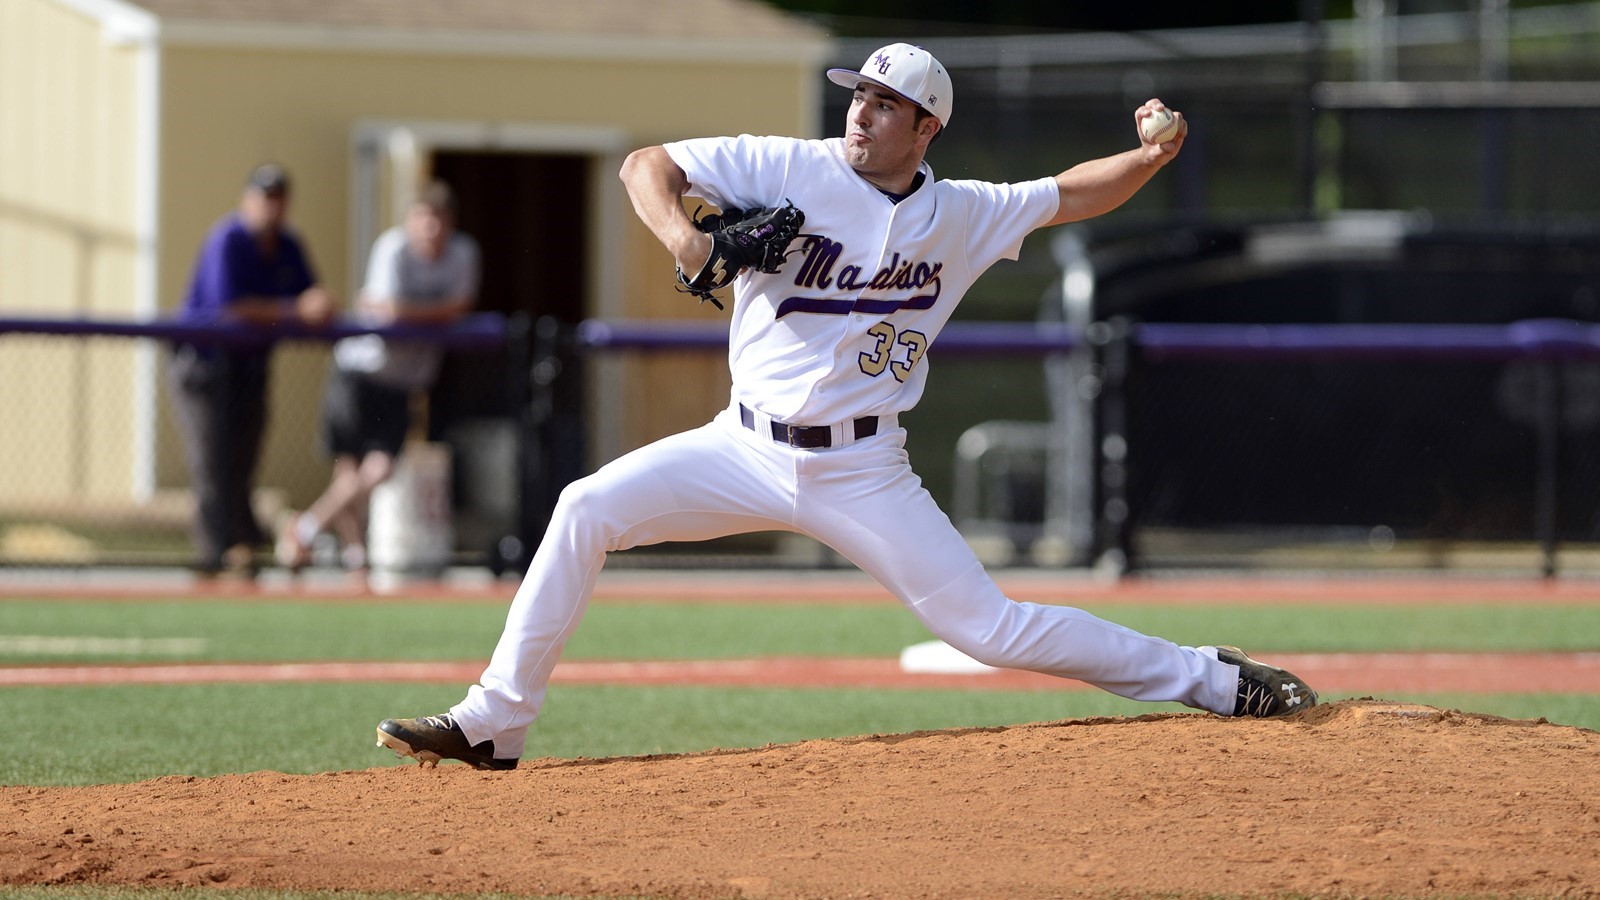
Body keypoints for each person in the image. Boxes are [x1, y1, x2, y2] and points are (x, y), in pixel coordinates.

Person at [377, 43, 1318, 771]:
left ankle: (1216, 679)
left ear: (927, 129)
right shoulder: (787, 166)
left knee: (989, 629)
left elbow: (1071, 194)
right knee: (585, 507)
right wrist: (686, 240)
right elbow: (644, 165)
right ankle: (495, 723)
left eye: (884, 103)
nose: (860, 112)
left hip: (865, 467)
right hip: (740, 448)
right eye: (857, 95)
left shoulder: (964, 213)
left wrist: (1152, 160)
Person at [276, 181, 480, 579]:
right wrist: (427, 314)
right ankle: (357, 561)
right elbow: (390, 316)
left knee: (380, 469)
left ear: (450, 223)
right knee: (351, 474)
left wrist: (408, 311)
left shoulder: (463, 252)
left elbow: (455, 307)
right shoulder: (393, 248)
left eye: (439, 220)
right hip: (359, 371)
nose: (432, 229)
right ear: (410, 221)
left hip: (402, 383)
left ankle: (305, 527)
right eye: (424, 219)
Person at [168, 163, 334, 578]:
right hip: (203, 368)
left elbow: (311, 295)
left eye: (278, 197)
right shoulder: (229, 238)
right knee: (210, 464)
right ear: (248, 200)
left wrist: (317, 303)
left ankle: (241, 551)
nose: (271, 205)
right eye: (264, 196)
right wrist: (295, 309)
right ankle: (214, 558)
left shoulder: (287, 245)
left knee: (241, 463)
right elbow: (231, 307)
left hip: (249, 368)